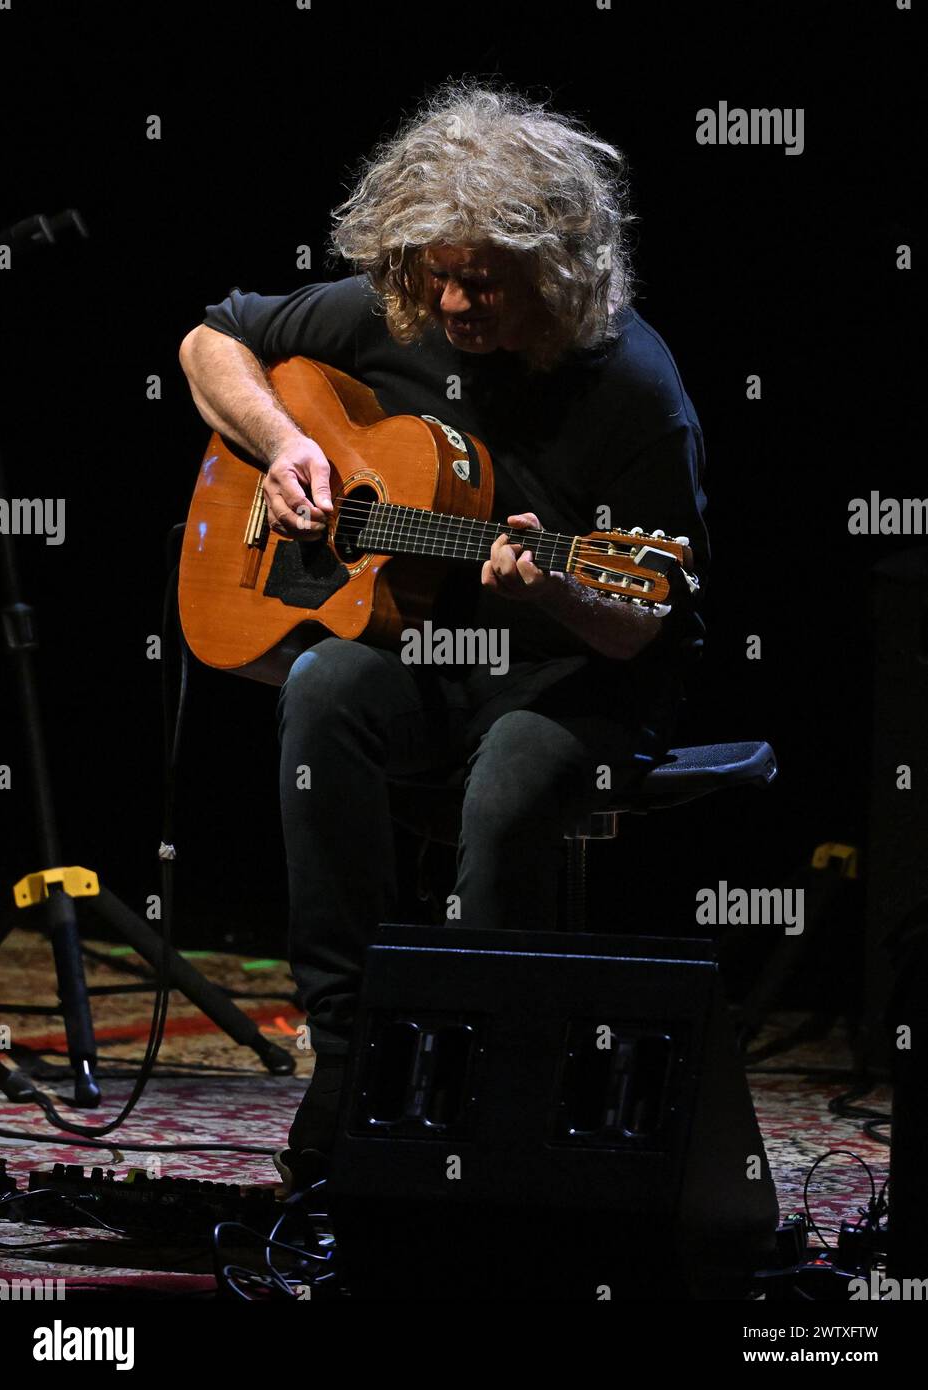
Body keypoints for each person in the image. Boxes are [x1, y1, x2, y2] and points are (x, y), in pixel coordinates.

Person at [179, 81, 711, 1189]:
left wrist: (556, 590)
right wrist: (282, 446)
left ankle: (484, 1073)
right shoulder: (398, 308)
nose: (459, 303)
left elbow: (641, 621)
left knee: (509, 782)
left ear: (555, 271)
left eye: (489, 281)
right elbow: (208, 342)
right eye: (440, 275)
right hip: (428, 655)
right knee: (324, 684)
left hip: (579, 676)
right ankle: (351, 1044)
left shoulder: (636, 390)